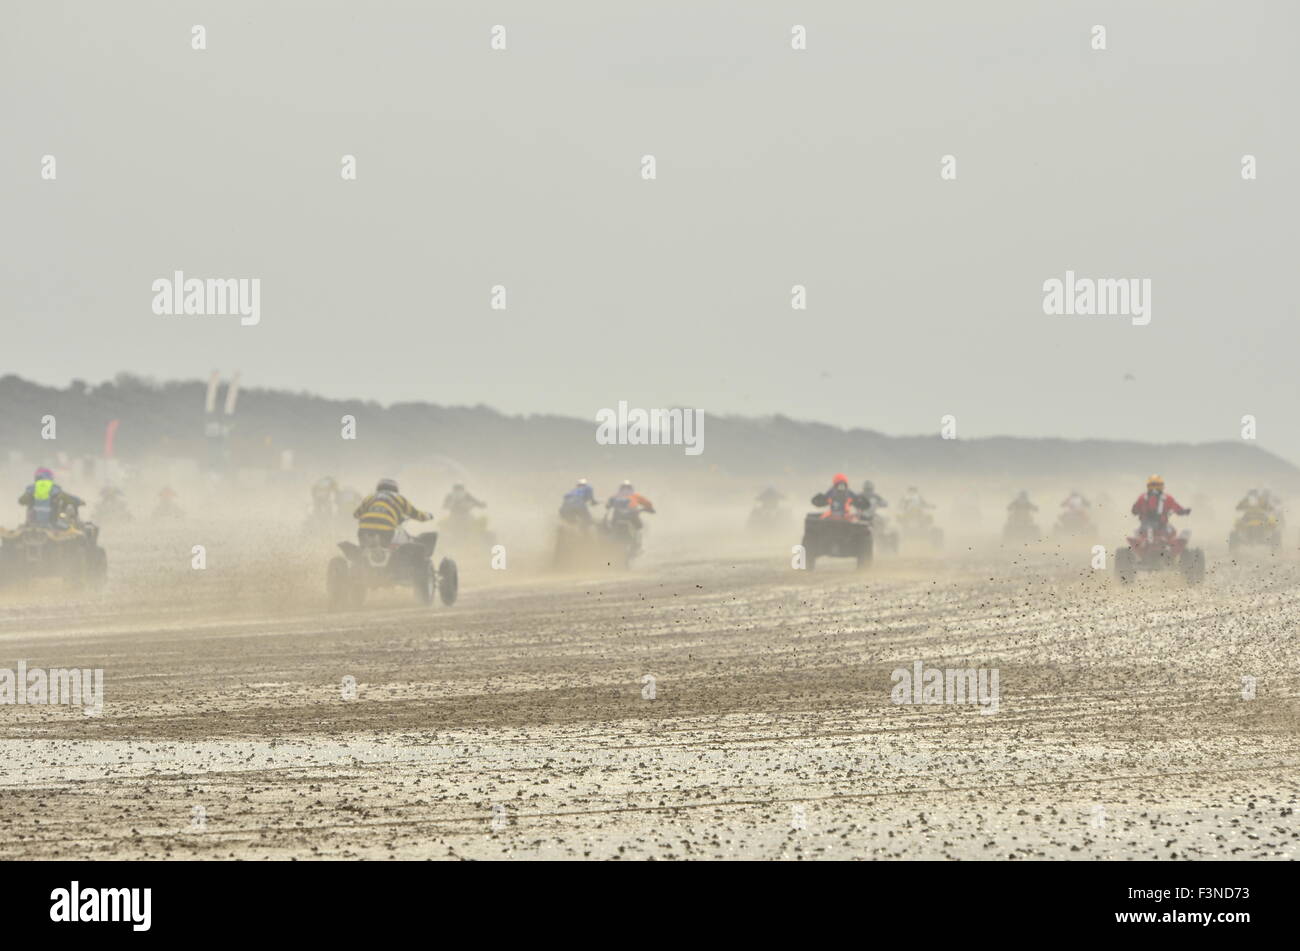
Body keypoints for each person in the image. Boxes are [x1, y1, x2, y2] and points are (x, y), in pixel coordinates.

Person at [353, 478, 433, 546]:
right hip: (386, 530)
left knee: (363, 548)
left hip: (364, 530)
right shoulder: (399, 498)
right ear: (395, 489)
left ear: (379, 488)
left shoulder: (370, 497)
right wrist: (428, 516)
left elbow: (356, 514)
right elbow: (416, 514)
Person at [1131, 474, 1190, 541]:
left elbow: (1134, 510)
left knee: (1136, 533)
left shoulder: (1142, 497)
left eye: (1157, 485)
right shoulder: (1167, 498)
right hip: (1160, 526)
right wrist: (1184, 511)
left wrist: (1135, 510)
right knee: (1173, 532)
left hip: (1148, 526)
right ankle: (1171, 547)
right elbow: (1177, 509)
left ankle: (1140, 547)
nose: (1155, 488)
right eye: (1153, 485)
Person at [19, 468, 84, 528]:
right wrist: (80, 501)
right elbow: (69, 498)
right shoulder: (54, 488)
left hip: (32, 523)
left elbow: (21, 501)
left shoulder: (31, 488)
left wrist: (33, 500)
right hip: (53, 523)